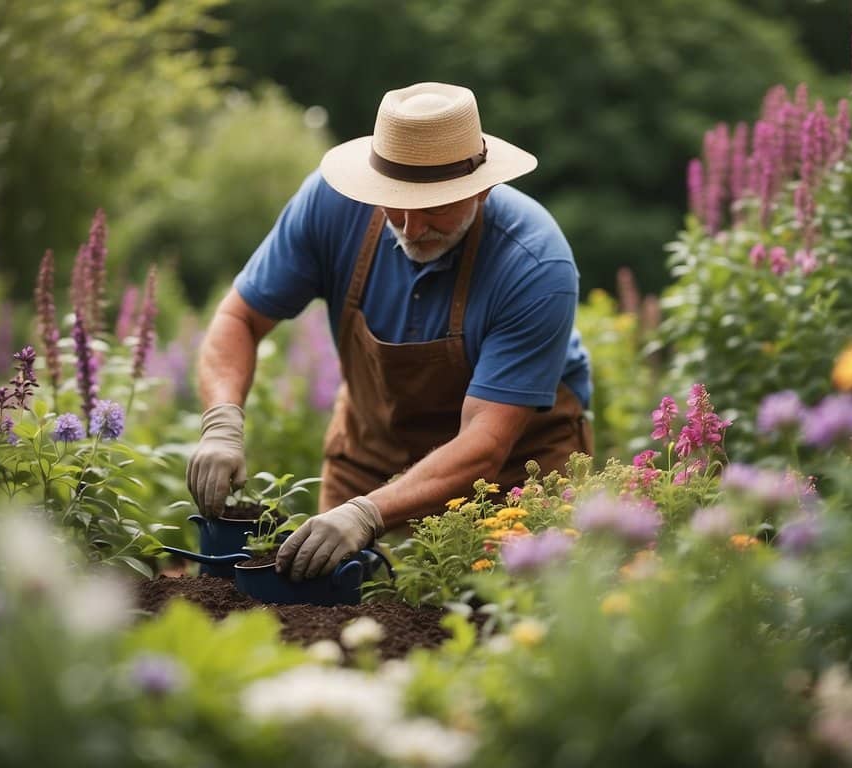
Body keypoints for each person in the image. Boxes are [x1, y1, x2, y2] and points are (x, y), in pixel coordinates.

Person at [186, 82, 593, 582]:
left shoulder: (534, 264)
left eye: (434, 207)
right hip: (369, 455)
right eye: (394, 202)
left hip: (511, 476)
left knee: (501, 627)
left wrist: (366, 515)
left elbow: (485, 446)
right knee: (329, 621)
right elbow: (238, 319)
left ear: (482, 188)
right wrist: (221, 422)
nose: (410, 226)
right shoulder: (332, 206)